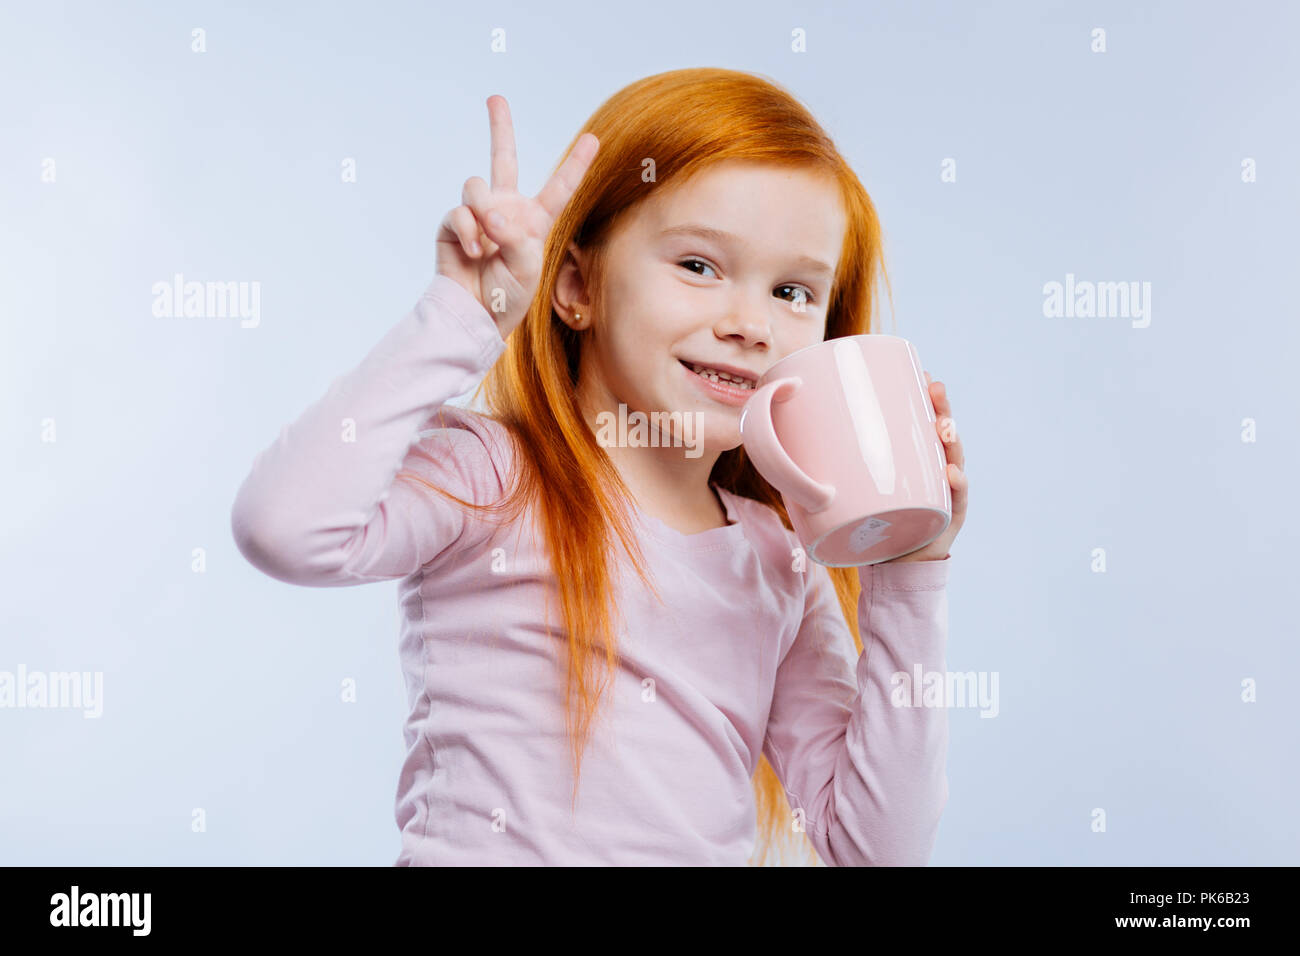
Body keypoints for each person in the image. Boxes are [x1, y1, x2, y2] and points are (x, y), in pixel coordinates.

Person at [230, 68, 969, 866]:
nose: (752, 324)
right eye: (698, 266)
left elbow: (877, 850)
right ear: (577, 284)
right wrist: (459, 317)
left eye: (793, 290)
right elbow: (284, 530)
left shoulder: (780, 568)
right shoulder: (495, 478)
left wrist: (906, 567)